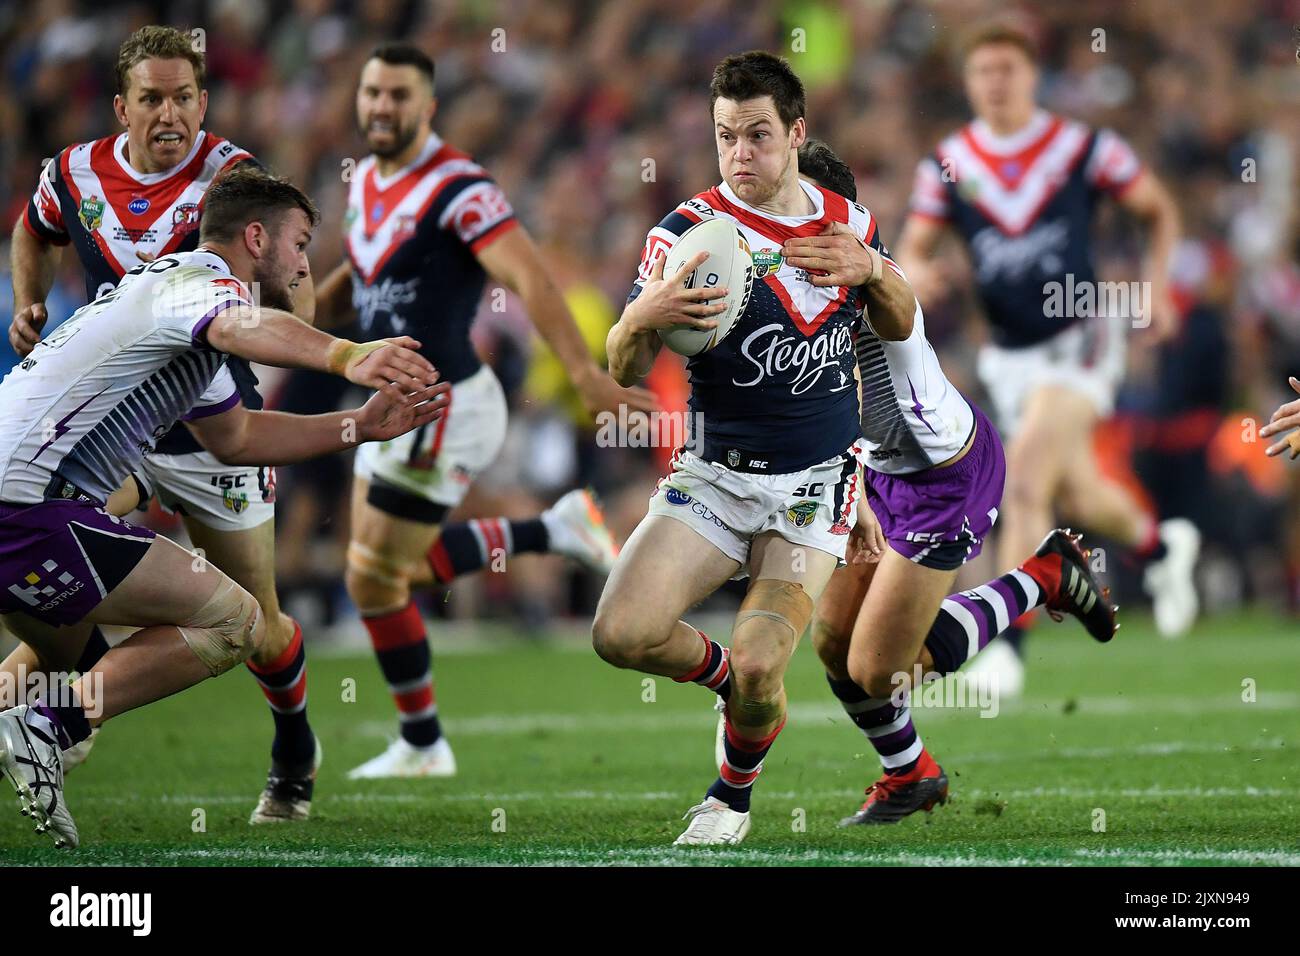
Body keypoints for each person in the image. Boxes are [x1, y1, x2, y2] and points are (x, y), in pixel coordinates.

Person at [0, 167, 447, 848]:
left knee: (64, 662)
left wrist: (360, 424)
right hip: (27, 511)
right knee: (235, 618)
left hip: (21, 512)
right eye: (299, 244)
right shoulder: (203, 286)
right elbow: (242, 325)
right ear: (257, 236)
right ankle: (47, 726)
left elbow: (236, 438)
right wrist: (349, 354)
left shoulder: (172, 305)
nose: (304, 265)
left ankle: (42, 720)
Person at [593, 51, 921, 845]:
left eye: (759, 136)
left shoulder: (849, 222)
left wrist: (875, 270)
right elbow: (624, 368)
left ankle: (728, 800)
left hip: (813, 489)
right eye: (726, 136)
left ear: (796, 133)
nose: (741, 155)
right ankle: (725, 683)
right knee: (620, 635)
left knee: (766, 661)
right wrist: (642, 317)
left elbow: (902, 323)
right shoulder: (684, 234)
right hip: (712, 476)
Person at [311, 43, 658, 780]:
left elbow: (530, 277)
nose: (381, 107)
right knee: (377, 575)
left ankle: (423, 741)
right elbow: (363, 278)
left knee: (376, 577)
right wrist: (289, 322)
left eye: (398, 95)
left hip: (444, 404)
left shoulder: (460, 188)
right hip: (396, 399)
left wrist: (584, 374)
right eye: (371, 92)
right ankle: (550, 530)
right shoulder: (369, 180)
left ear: (427, 106)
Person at [6, 25, 323, 823]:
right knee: (57, 596)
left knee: (258, 620)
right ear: (123, 106)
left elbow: (292, 276)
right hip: (115, 430)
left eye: (184, 96)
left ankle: (293, 750)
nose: (169, 113)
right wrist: (28, 299)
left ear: (204, 101)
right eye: (152, 98)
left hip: (214, 420)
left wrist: (319, 344)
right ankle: (55, 722)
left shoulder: (234, 175)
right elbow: (31, 230)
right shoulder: (73, 172)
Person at [794, 140, 1115, 825]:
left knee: (881, 669)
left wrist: (877, 266)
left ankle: (1043, 576)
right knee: (831, 644)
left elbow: (898, 307)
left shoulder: (868, 281)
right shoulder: (788, 281)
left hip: (947, 476)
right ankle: (909, 773)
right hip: (880, 472)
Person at [896, 22, 1198, 695]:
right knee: (1075, 491)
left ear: (1032, 76)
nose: (996, 84)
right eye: (983, 72)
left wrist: (1157, 281)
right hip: (1008, 354)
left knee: (1024, 482)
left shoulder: (1083, 147)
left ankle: (1008, 646)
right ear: (969, 83)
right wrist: (919, 268)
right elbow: (916, 244)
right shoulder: (948, 162)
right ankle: (1159, 546)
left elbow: (1158, 210)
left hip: (1081, 333)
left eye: (1008, 70)